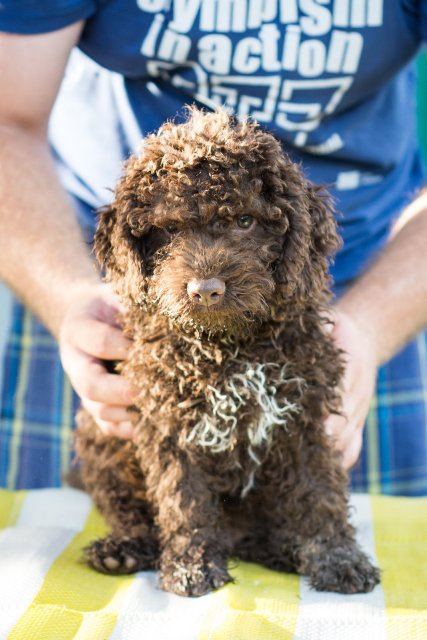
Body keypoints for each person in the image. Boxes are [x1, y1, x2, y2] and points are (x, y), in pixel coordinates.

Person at [0, 1, 426, 493]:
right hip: (100, 285)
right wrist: (70, 298)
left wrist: (372, 329)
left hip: (370, 281)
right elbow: (7, 120)